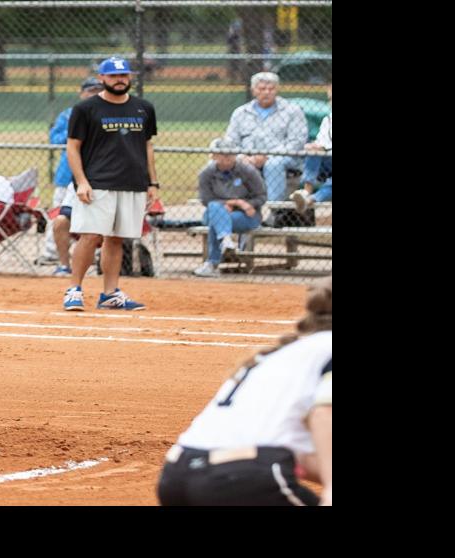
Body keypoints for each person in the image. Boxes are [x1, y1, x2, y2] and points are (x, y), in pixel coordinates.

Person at [156, 278, 332, 506]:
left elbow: (300, 458)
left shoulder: (284, 352)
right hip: (241, 479)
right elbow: (324, 414)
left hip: (177, 475)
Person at [62, 56, 158, 312]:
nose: (120, 80)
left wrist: (153, 182)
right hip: (98, 182)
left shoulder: (143, 108)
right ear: (102, 78)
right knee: (91, 235)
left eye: (124, 75)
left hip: (132, 182)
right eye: (114, 76)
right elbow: (72, 147)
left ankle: (110, 293)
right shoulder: (86, 109)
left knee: (116, 239)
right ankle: (74, 290)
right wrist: (81, 182)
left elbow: (147, 146)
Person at [221, 70, 310, 208]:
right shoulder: (240, 113)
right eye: (262, 89)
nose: (267, 92)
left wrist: (268, 156)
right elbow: (230, 141)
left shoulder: (292, 111)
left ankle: (274, 210)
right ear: (253, 90)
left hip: (285, 158)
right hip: (248, 157)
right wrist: (242, 156)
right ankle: (227, 205)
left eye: (271, 88)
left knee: (273, 164)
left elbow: (297, 141)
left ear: (277, 90)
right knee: (227, 161)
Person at [44, 77, 102, 276]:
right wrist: (76, 131)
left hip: (98, 175)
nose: (93, 94)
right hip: (66, 175)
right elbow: (55, 139)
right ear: (82, 93)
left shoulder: (107, 113)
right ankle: (51, 253)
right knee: (58, 216)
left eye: (97, 90)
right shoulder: (68, 115)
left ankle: (94, 258)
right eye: (90, 90)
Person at [193, 136, 264, 277]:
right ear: (214, 156)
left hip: (245, 215)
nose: (228, 158)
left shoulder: (247, 171)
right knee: (215, 210)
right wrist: (234, 202)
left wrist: (246, 204)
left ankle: (212, 263)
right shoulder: (206, 173)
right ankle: (226, 240)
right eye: (223, 155)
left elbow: (261, 196)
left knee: (217, 220)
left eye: (231, 154)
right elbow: (206, 199)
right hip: (216, 211)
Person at [290, 82, 332, 215]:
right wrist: (316, 146)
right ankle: (307, 190)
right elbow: (322, 142)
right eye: (330, 99)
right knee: (314, 149)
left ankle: (309, 200)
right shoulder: (328, 119)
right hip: (327, 162)